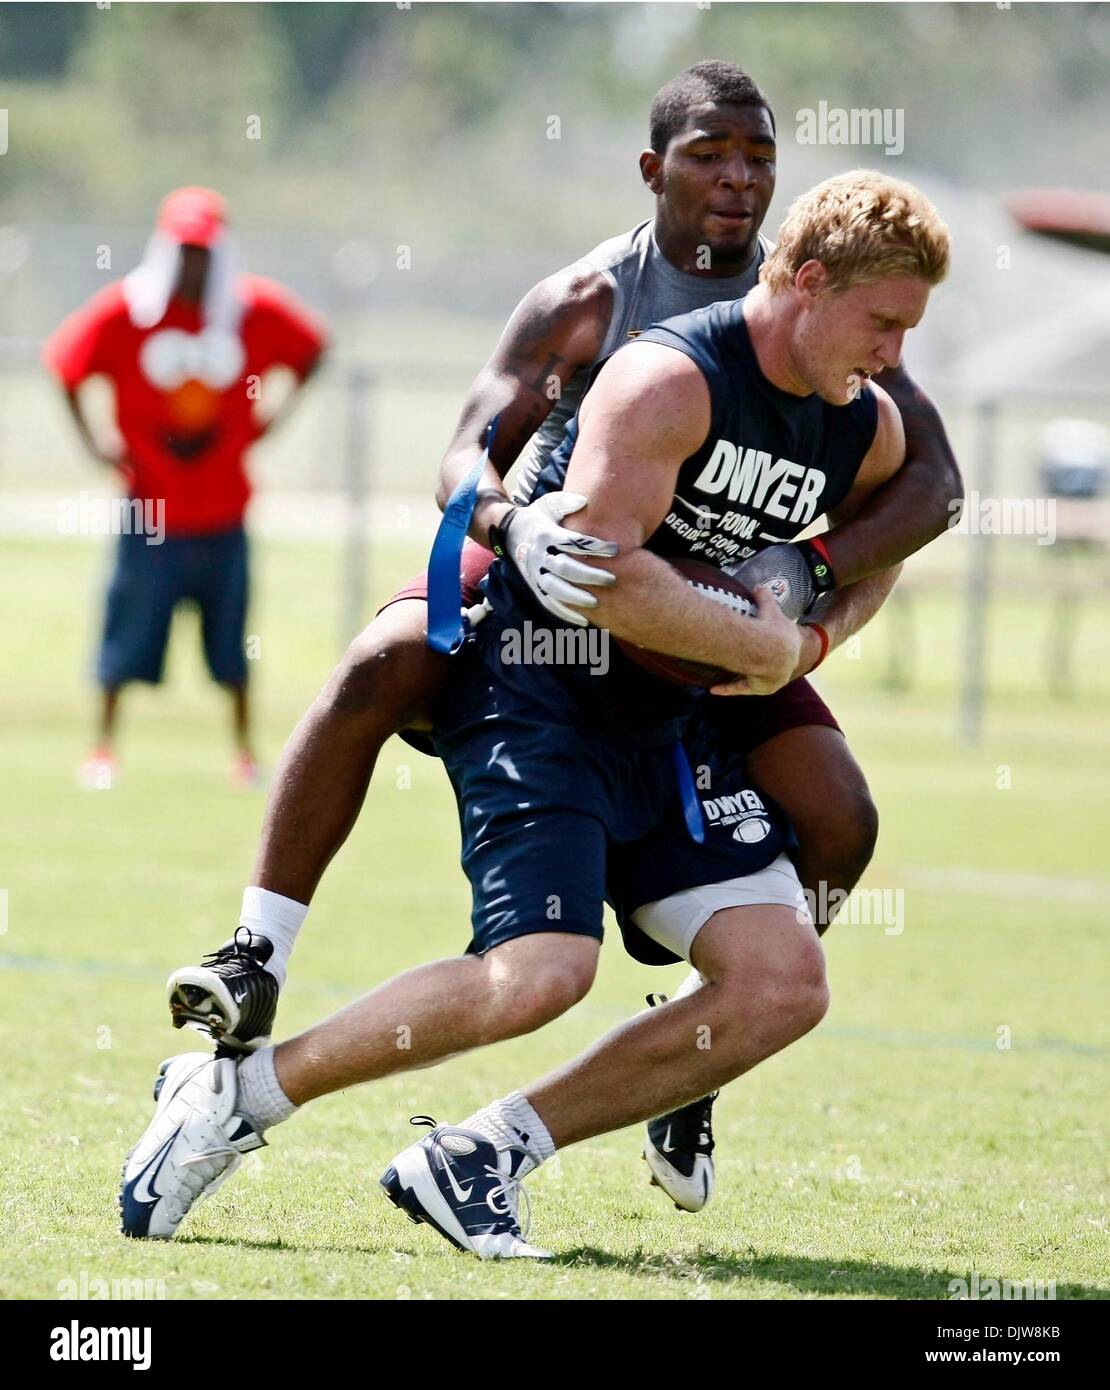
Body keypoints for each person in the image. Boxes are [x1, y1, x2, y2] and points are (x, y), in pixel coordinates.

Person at [162, 63, 960, 1209]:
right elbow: (469, 461)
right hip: (571, 577)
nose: (738, 177)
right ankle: (257, 951)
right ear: (655, 171)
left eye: (759, 157)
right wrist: (510, 523)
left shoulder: (837, 331)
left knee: (840, 815)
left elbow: (932, 487)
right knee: (386, 666)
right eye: (710, 154)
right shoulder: (603, 302)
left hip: (725, 615)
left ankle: (704, 1042)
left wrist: (808, 587)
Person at [43, 186, 327, 788]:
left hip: (224, 511)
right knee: (125, 632)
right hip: (150, 512)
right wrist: (94, 442)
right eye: (184, 251)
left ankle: (245, 754)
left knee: (232, 644)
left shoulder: (252, 311)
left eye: (204, 252)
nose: (194, 264)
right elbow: (64, 362)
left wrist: (275, 413)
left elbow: (312, 349)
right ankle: (102, 750)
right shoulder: (128, 312)